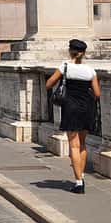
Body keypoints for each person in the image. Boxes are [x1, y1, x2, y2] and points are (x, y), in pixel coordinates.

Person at [45, 38, 100, 194]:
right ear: (83, 53)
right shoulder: (90, 70)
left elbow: (48, 84)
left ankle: (78, 182)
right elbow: (97, 93)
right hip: (87, 107)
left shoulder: (65, 67)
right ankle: (80, 177)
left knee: (73, 146)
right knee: (82, 144)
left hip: (71, 108)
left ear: (70, 51)